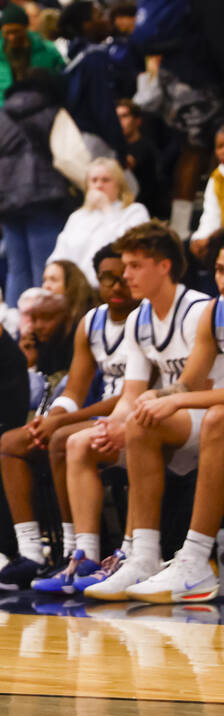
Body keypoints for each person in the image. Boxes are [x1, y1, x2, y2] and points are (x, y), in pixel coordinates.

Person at [70, 222, 213, 600]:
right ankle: (88, 557)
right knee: (81, 442)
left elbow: (196, 388)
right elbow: (131, 392)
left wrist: (131, 420)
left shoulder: (199, 310)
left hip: (206, 410)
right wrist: (111, 426)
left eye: (135, 265)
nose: (126, 274)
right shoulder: (139, 318)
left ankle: (143, 554)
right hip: (175, 415)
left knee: (141, 425)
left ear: (164, 266)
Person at [0, 246, 140, 591]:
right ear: (97, 280)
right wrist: (52, 416)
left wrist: (58, 424)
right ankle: (31, 552)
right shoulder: (93, 322)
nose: (117, 285)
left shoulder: (145, 318)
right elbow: (74, 388)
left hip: (131, 412)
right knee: (11, 441)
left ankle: (75, 551)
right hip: (97, 414)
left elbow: (131, 393)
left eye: (122, 277)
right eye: (108, 278)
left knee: (61, 438)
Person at [122, 232, 224, 602]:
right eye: (219, 270)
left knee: (217, 420)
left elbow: (191, 395)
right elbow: (188, 382)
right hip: (209, 411)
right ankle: (143, 555)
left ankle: (196, 559)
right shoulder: (215, 311)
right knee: (142, 421)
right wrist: (157, 396)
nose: (223, 280)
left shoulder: (195, 308)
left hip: (214, 415)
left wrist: (178, 401)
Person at [0, 69, 92, 304]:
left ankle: (18, 321)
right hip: (45, 199)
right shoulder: (54, 112)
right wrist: (89, 186)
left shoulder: (1, 116)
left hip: (6, 201)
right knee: (46, 268)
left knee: (16, 269)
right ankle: (45, 322)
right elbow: (68, 158)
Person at [48, 158, 151, 284]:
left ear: (118, 185)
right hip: (77, 288)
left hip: (115, 285)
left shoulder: (134, 211)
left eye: (105, 180)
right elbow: (59, 256)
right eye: (94, 180)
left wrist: (106, 209)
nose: (99, 185)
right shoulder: (77, 217)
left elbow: (126, 246)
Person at [0, 4, 65, 107]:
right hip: (2, 111)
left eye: (16, 31)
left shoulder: (47, 51)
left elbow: (61, 78)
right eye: (7, 32)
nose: (12, 37)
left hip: (43, 107)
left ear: (26, 28)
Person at [116, 99, 168, 222]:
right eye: (116, 117)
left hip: (146, 212)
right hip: (123, 208)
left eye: (124, 116)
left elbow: (126, 164)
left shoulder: (145, 147)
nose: (119, 121)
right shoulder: (116, 148)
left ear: (138, 121)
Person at [189, 125, 224, 262]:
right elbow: (211, 215)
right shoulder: (217, 177)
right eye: (219, 146)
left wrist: (214, 237)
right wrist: (199, 239)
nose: (222, 151)